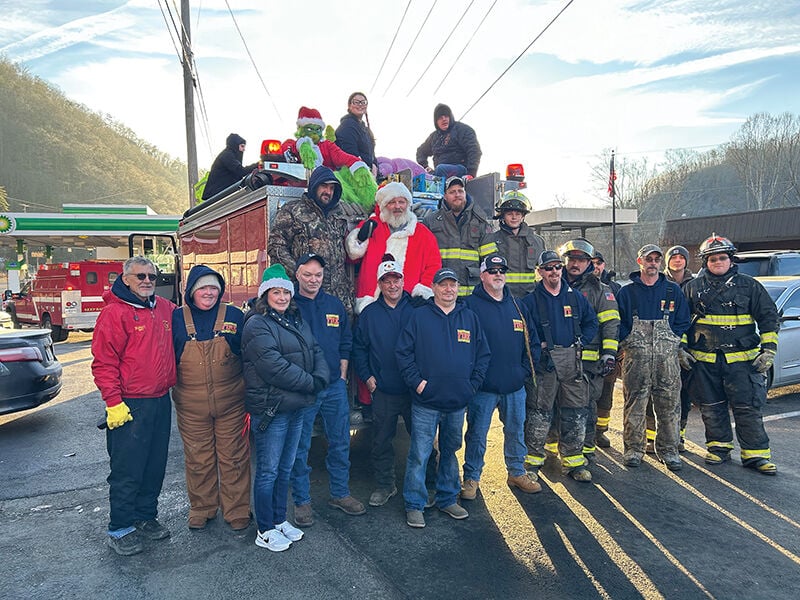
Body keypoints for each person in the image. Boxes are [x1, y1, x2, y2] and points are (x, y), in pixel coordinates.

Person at [91, 257, 177, 556]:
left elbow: (195, 315)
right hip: (129, 404)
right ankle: (120, 527)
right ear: (125, 279)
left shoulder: (164, 309)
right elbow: (104, 363)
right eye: (140, 276)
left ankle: (145, 516)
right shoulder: (114, 314)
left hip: (160, 400)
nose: (147, 281)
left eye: (152, 276)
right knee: (127, 468)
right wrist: (113, 402)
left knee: (155, 465)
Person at [242, 264, 329, 551]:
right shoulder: (256, 324)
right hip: (273, 409)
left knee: (285, 467)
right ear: (265, 295)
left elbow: (315, 350)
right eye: (275, 292)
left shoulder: (294, 318)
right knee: (268, 471)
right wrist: (312, 383)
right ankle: (264, 529)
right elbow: (273, 367)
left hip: (296, 406)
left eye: (285, 292)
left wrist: (322, 376)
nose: (281, 297)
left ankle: (279, 519)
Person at [397, 267, 490, 528]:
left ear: (458, 288)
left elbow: (483, 355)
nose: (448, 289)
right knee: (419, 454)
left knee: (450, 452)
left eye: (452, 284)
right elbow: (403, 353)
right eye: (443, 284)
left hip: (457, 402)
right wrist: (418, 384)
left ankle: (447, 498)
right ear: (434, 288)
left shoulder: (469, 318)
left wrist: (471, 386)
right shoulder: (419, 317)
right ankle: (414, 504)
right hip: (425, 402)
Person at [682, 234, 779, 475]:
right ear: (705, 262)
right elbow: (681, 324)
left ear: (730, 259)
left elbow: (768, 318)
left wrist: (769, 350)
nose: (718, 262)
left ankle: (756, 455)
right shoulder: (692, 288)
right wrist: (681, 350)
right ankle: (719, 449)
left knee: (748, 408)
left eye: (722, 258)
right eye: (713, 259)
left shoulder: (750, 286)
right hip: (705, 362)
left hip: (743, 362)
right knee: (711, 408)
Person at [171, 266, 250, 532]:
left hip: (232, 404)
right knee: (198, 459)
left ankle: (237, 510)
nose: (209, 293)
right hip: (191, 407)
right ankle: (201, 508)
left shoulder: (234, 316)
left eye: (214, 288)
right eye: (203, 288)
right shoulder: (176, 318)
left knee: (234, 457)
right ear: (192, 291)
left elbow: (250, 355)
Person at [290, 253, 365, 526]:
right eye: (308, 274)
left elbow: (346, 341)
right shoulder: (289, 306)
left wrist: (342, 374)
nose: (313, 280)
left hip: (334, 386)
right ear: (297, 275)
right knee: (300, 446)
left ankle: (340, 494)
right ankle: (302, 501)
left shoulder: (334, 305)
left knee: (340, 442)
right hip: (304, 388)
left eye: (318, 275)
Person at [461, 253, 542, 500]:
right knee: (477, 435)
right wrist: (473, 379)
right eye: (492, 271)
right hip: (483, 388)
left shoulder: (517, 305)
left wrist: (523, 371)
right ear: (482, 275)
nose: (498, 275)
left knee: (516, 431)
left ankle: (517, 472)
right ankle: (471, 478)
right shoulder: (469, 306)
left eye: (501, 271)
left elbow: (533, 342)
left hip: (514, 386)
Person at [521, 251, 598, 482]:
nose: (553, 272)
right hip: (545, 365)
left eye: (557, 267)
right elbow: (524, 332)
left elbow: (592, 322)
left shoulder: (576, 298)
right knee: (539, 412)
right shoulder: (530, 301)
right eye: (548, 268)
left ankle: (574, 463)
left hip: (572, 363)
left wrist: (581, 341)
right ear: (540, 271)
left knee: (575, 411)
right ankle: (532, 463)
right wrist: (539, 347)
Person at [616, 244, 690, 471]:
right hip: (636, 360)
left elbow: (683, 320)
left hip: (667, 361)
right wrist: (628, 340)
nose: (653, 263)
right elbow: (618, 323)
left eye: (657, 260)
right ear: (640, 261)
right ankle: (633, 450)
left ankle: (669, 451)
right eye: (649, 259)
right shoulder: (627, 293)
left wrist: (672, 340)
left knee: (669, 407)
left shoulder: (672, 291)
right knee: (634, 406)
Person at [351, 256, 417, 506]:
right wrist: (367, 377)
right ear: (379, 284)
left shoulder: (417, 310)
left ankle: (428, 483)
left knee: (422, 440)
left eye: (396, 279)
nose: (392, 285)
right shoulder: (369, 314)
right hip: (384, 390)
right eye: (386, 281)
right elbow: (359, 349)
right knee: (380, 441)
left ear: (403, 280)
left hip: (413, 390)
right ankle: (385, 485)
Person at [553, 240, 619, 461]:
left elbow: (610, 323)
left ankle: (587, 451)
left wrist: (609, 354)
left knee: (587, 406)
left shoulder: (601, 290)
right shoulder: (553, 284)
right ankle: (555, 449)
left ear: (589, 263)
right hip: (559, 357)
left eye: (581, 260)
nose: (575, 264)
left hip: (588, 361)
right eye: (572, 259)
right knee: (556, 403)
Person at [269, 165, 364, 315]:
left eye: (332, 188)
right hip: (306, 296)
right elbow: (276, 245)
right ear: (314, 186)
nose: (328, 191)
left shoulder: (338, 215)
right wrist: (300, 275)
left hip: (338, 297)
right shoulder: (293, 210)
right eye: (324, 186)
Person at [346, 181, 441, 314]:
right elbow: (352, 257)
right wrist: (360, 238)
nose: (397, 206)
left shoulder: (423, 233)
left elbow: (434, 265)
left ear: (408, 204)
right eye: (392, 202)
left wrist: (423, 290)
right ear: (384, 206)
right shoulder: (372, 226)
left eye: (401, 202)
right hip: (372, 302)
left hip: (409, 304)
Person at [650, 244, 695, 452]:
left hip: (686, 347)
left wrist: (682, 346)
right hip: (660, 348)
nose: (677, 260)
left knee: (683, 394)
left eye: (681, 257)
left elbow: (686, 319)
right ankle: (652, 437)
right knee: (655, 393)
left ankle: (679, 435)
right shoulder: (659, 282)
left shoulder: (695, 285)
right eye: (673, 257)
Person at [424, 175, 497, 297]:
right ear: (445, 196)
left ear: (465, 193)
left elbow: (489, 259)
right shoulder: (431, 221)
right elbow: (424, 258)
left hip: (473, 292)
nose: (457, 195)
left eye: (460, 191)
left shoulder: (480, 220)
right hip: (442, 292)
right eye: (452, 192)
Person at [490, 190, 544, 298]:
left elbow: (545, 271)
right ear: (503, 216)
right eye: (510, 214)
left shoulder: (537, 242)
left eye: (518, 214)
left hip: (530, 299)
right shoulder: (491, 240)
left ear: (523, 216)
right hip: (501, 298)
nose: (514, 217)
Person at [416, 103, 482, 178]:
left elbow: (474, 150)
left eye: (446, 116)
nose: (444, 119)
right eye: (440, 117)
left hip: (461, 169)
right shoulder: (434, 137)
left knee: (441, 169)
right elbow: (420, 151)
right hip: (440, 173)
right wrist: (425, 167)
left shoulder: (462, 130)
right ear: (436, 121)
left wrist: (471, 173)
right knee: (421, 175)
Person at [202, 133, 259, 200]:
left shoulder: (228, 156)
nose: (244, 149)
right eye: (242, 146)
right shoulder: (227, 156)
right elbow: (240, 171)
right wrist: (258, 164)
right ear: (235, 145)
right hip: (215, 195)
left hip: (220, 194)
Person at [335, 92, 377, 176]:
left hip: (368, 172)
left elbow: (371, 153)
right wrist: (367, 169)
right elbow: (350, 153)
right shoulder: (347, 125)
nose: (360, 105)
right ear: (349, 106)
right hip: (354, 173)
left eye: (363, 102)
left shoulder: (365, 129)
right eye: (356, 102)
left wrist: (374, 166)